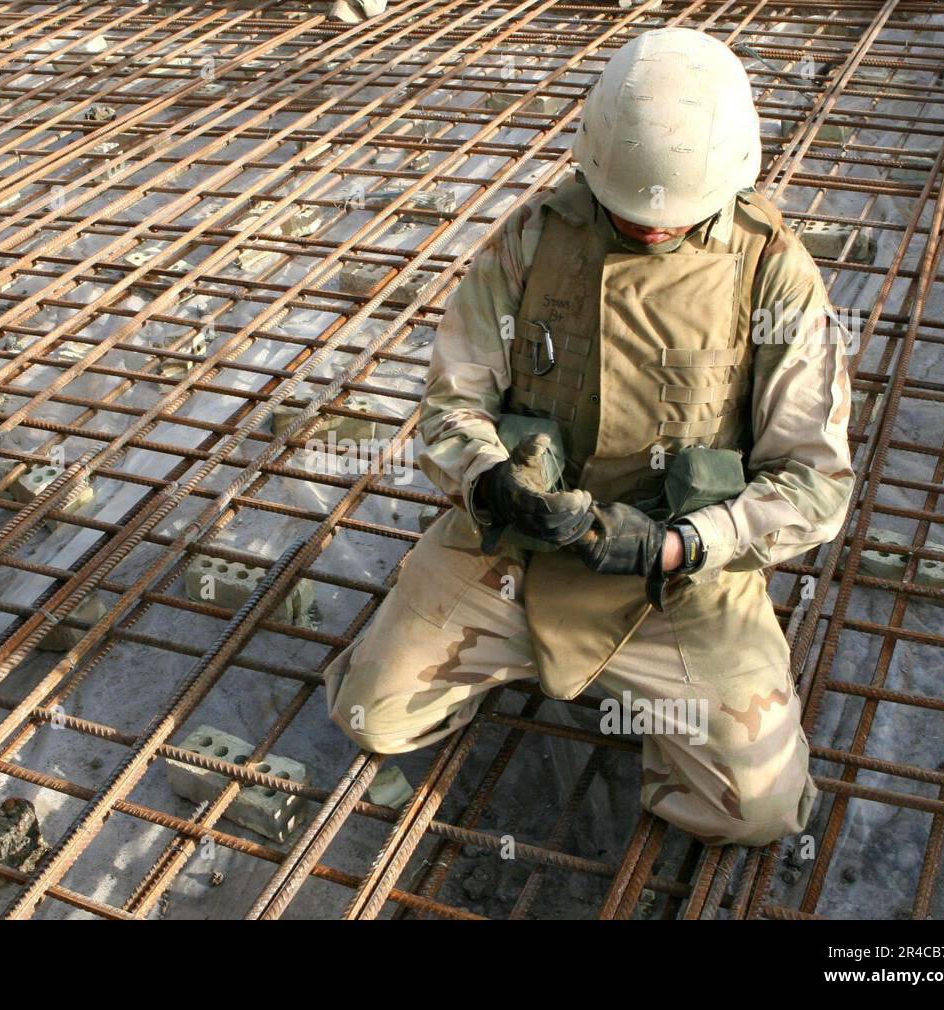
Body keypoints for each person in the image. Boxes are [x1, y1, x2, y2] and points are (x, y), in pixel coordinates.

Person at [324, 27, 854, 847]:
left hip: (680, 579)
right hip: (521, 548)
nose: (648, 228)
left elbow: (814, 483)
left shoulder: (771, 273)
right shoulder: (536, 237)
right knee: (371, 714)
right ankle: (513, 655)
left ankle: (665, 713)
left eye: (670, 217)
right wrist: (491, 481)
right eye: (628, 210)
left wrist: (678, 545)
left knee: (757, 812)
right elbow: (450, 404)